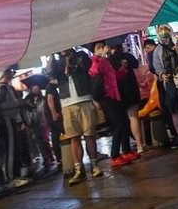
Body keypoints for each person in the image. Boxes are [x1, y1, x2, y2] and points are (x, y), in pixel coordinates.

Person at [52, 49, 104, 186]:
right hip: (67, 103)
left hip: (84, 99)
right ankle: (79, 169)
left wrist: (70, 58)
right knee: (74, 137)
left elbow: (84, 66)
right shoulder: (57, 62)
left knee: (89, 134)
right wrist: (53, 56)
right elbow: (51, 73)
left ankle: (94, 165)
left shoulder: (80, 55)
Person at [91, 41, 137, 168]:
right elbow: (95, 71)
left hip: (115, 96)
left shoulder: (106, 61)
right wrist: (102, 56)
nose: (102, 49)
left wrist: (122, 70)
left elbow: (113, 78)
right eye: (98, 48)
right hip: (106, 99)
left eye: (103, 46)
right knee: (118, 124)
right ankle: (115, 155)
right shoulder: (95, 61)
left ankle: (126, 151)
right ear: (94, 51)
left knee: (124, 122)